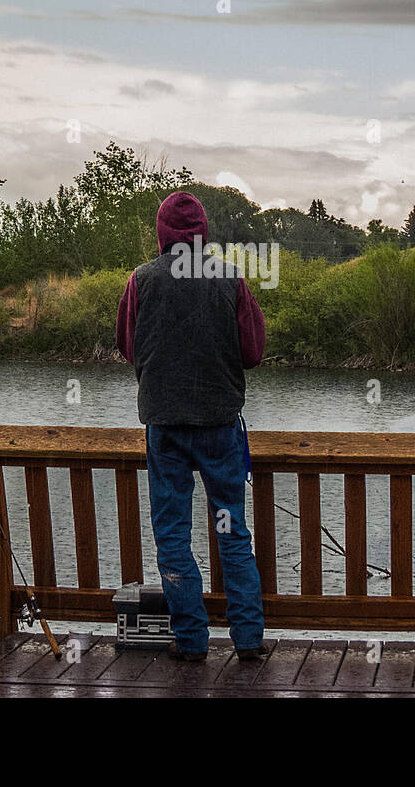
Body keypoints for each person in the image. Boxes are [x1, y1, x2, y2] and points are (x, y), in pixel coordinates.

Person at [115, 191, 267, 662]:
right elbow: (253, 351)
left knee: (173, 536)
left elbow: (127, 346)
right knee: (232, 531)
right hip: (220, 426)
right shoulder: (229, 279)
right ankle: (247, 640)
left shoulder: (141, 280)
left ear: (161, 234)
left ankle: (192, 642)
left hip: (166, 428)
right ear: (203, 232)